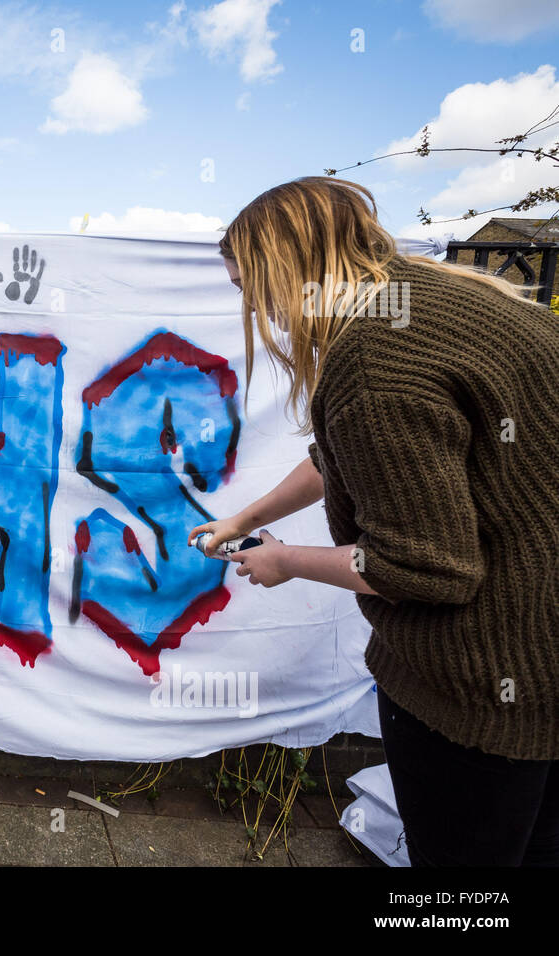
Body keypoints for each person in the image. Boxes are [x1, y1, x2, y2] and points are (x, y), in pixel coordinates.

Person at [189, 176, 559, 866]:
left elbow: (423, 569)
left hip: (483, 686)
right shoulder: (442, 301)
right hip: (539, 666)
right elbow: (354, 455)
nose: (253, 305)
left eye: (249, 284)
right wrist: (246, 513)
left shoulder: (374, 356)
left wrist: (285, 561)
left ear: (285, 268)